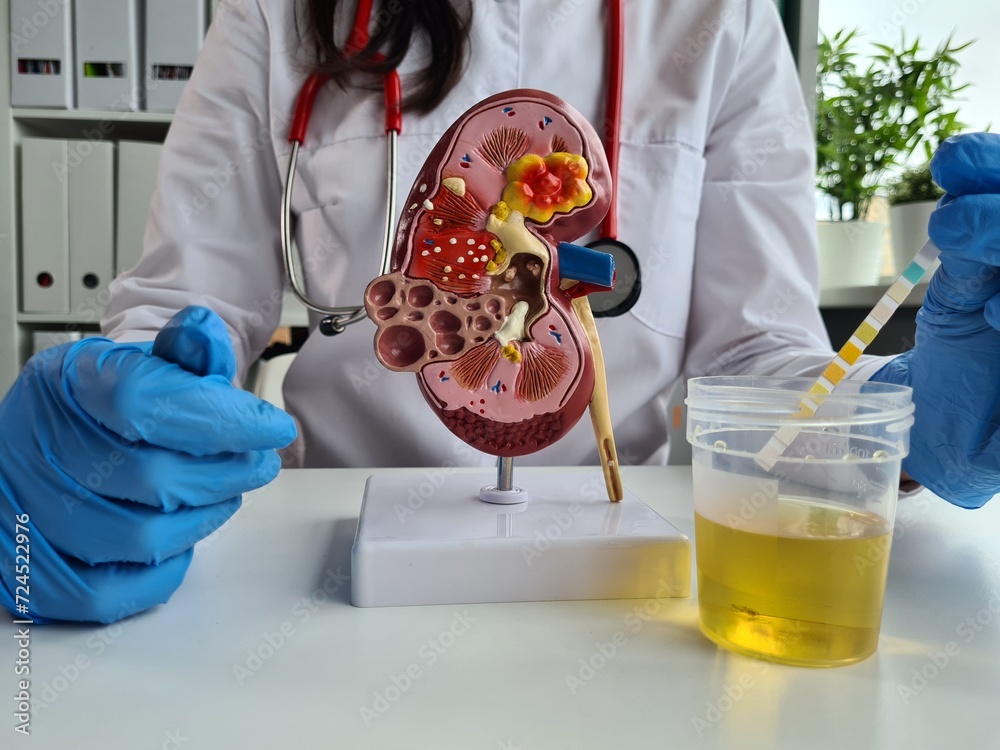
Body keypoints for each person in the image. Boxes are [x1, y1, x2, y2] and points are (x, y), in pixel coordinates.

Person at [2, 0, 998, 623]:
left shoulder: (721, 20)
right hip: (330, 569)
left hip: (617, 584)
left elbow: (757, 349)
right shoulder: (276, 14)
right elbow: (186, 305)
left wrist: (892, 422)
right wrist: (109, 432)